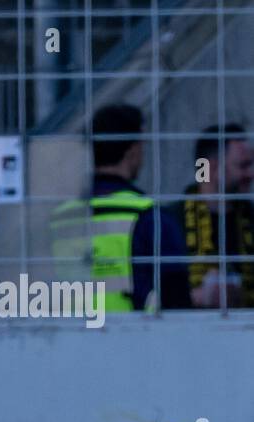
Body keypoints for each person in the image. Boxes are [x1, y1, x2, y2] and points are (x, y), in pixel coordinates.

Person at [48, 103, 191, 312]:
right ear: (133, 150)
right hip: (134, 339)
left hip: (70, 339)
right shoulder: (151, 217)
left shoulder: (58, 219)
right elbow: (177, 302)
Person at [169, 124, 254, 309]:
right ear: (213, 168)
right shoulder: (171, 220)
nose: (251, 173)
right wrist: (196, 297)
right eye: (243, 165)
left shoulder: (251, 216)